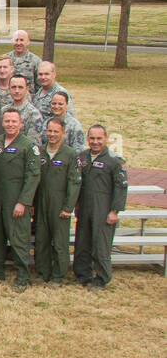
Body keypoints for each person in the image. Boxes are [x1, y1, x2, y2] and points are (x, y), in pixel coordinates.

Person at [0, 107, 41, 291]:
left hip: (16, 200)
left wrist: (24, 202)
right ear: (2, 123)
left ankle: (22, 276)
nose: (10, 124)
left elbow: (33, 176)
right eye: (7, 121)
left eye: (14, 121)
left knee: (19, 239)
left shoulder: (28, 146)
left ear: (21, 123)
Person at [73, 123, 128, 289]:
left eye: (99, 138)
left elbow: (121, 187)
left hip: (103, 207)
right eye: (92, 138)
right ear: (87, 139)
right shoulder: (82, 157)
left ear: (106, 139)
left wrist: (114, 211)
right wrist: (76, 204)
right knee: (82, 242)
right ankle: (83, 275)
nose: (95, 142)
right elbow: (77, 183)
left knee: (101, 245)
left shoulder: (115, 160)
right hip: (85, 206)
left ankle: (102, 278)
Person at [34, 117, 82, 285]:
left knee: (60, 242)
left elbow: (74, 182)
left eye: (56, 131)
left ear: (63, 133)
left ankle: (58, 275)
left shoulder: (70, 154)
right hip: (41, 203)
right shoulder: (39, 152)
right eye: (50, 131)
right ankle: (43, 273)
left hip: (60, 204)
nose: (52, 134)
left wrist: (68, 207)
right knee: (42, 240)